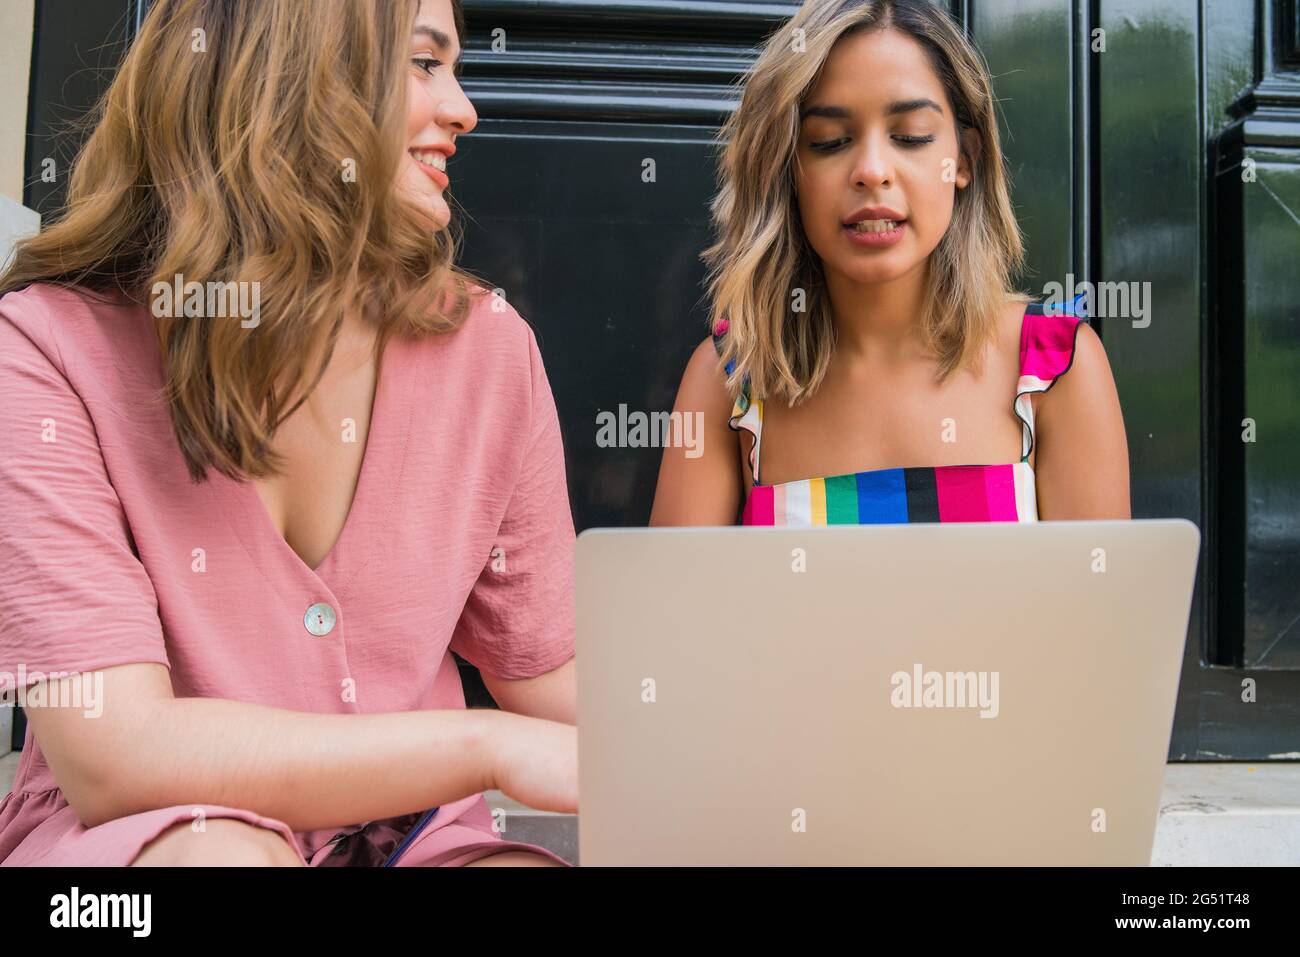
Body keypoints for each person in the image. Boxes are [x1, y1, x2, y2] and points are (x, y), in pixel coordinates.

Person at [0, 0, 576, 867]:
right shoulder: (44, 351)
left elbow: (549, 682)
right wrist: (487, 748)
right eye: (424, 64)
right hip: (147, 837)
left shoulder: (488, 349)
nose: (463, 109)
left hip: (414, 836)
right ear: (291, 78)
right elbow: (114, 756)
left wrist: (767, 737)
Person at [651, 0, 1129, 527]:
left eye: (910, 136)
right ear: (787, 169)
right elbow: (677, 609)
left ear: (964, 161)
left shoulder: (1054, 367)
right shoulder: (727, 384)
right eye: (828, 142)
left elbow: (1101, 607)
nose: (872, 171)